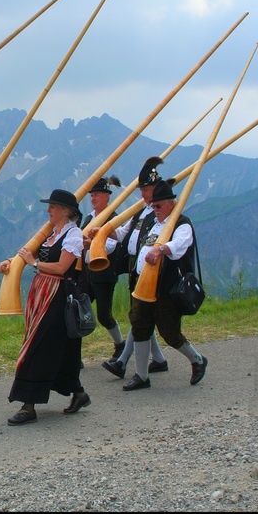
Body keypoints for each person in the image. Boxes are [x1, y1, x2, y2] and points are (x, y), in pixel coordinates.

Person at [0, 189, 89, 425]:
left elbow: (61, 267)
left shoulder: (73, 235)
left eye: (53, 207)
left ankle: (28, 405)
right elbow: (29, 253)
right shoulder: (52, 233)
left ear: (65, 212)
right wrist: (9, 262)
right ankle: (79, 393)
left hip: (59, 294)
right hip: (43, 292)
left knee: (39, 344)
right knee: (61, 347)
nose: (48, 210)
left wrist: (34, 263)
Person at [122, 178, 208, 390]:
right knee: (140, 327)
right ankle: (141, 376)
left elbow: (179, 245)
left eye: (158, 205)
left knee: (169, 333)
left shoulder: (182, 224)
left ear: (171, 204)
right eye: (153, 205)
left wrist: (161, 249)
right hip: (143, 286)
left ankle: (197, 359)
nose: (155, 209)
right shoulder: (153, 223)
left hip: (166, 288)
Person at [92, 157, 168, 379]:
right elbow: (123, 232)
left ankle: (122, 361)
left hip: (153, 271)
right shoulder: (141, 210)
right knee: (141, 317)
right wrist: (104, 232)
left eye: (147, 189)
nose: (143, 194)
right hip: (136, 269)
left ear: (157, 189)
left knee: (139, 317)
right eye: (142, 189)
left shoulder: (161, 212)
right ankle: (160, 360)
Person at [77, 175, 125, 361]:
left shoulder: (114, 218)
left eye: (97, 195)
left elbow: (110, 247)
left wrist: (91, 243)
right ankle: (76, 355)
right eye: (92, 195)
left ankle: (120, 345)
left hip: (104, 272)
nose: (93, 198)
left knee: (104, 315)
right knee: (79, 313)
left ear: (107, 196)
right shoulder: (89, 217)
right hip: (86, 272)